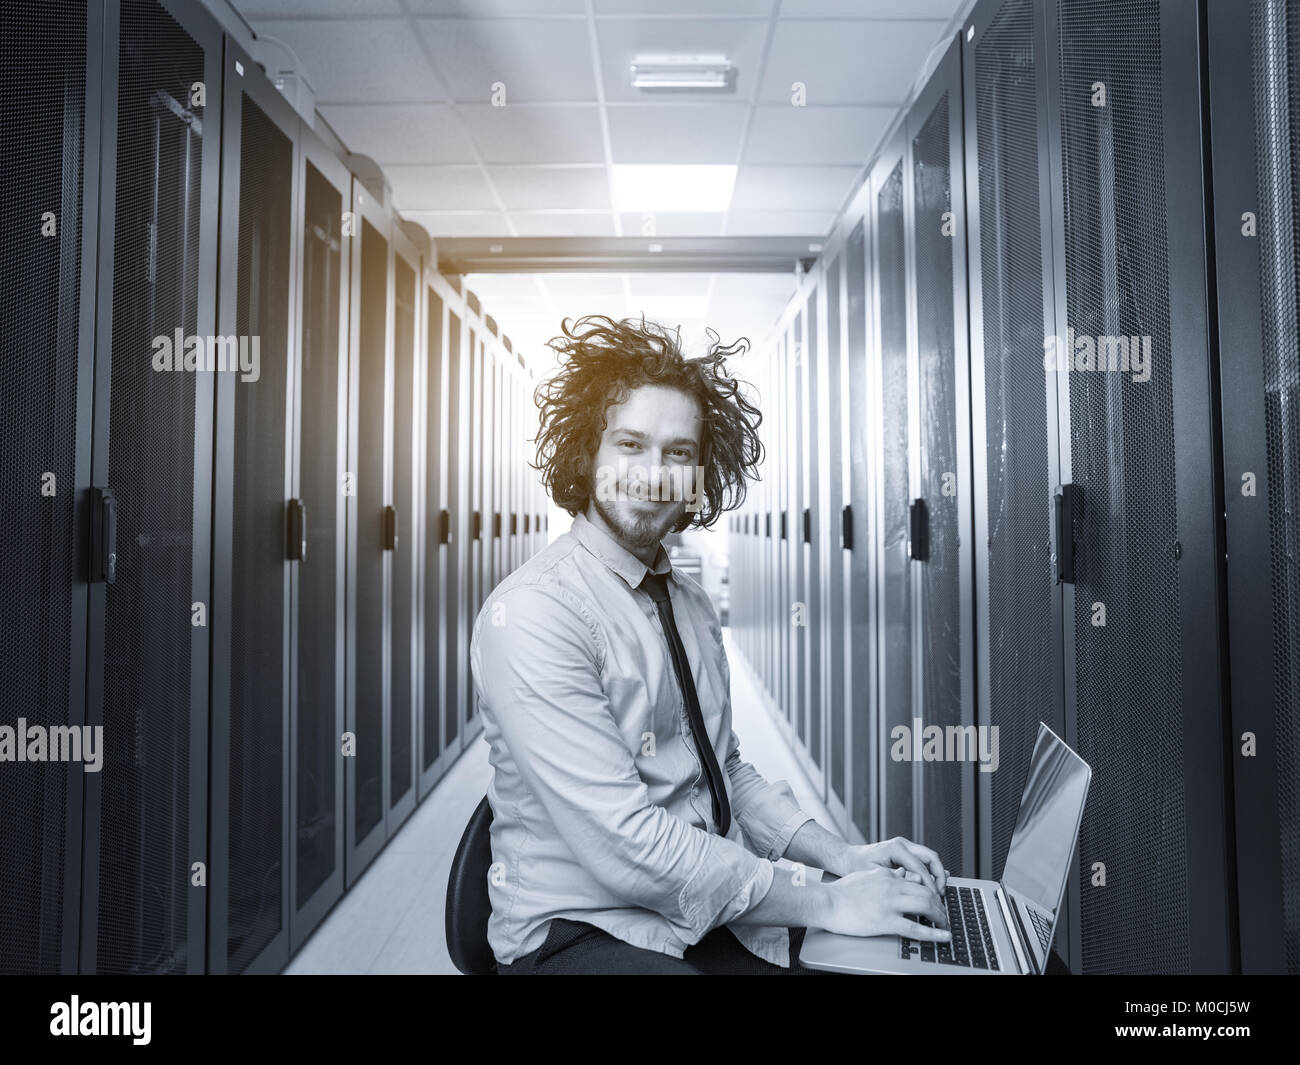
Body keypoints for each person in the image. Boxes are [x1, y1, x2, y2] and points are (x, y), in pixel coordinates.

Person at [470, 314, 952, 974]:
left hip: (701, 903)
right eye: (630, 444)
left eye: (677, 452)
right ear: (587, 453)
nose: (652, 473)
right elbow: (626, 845)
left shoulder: (688, 602)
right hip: (583, 930)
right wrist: (828, 903)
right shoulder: (534, 615)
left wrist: (841, 858)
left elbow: (726, 773)